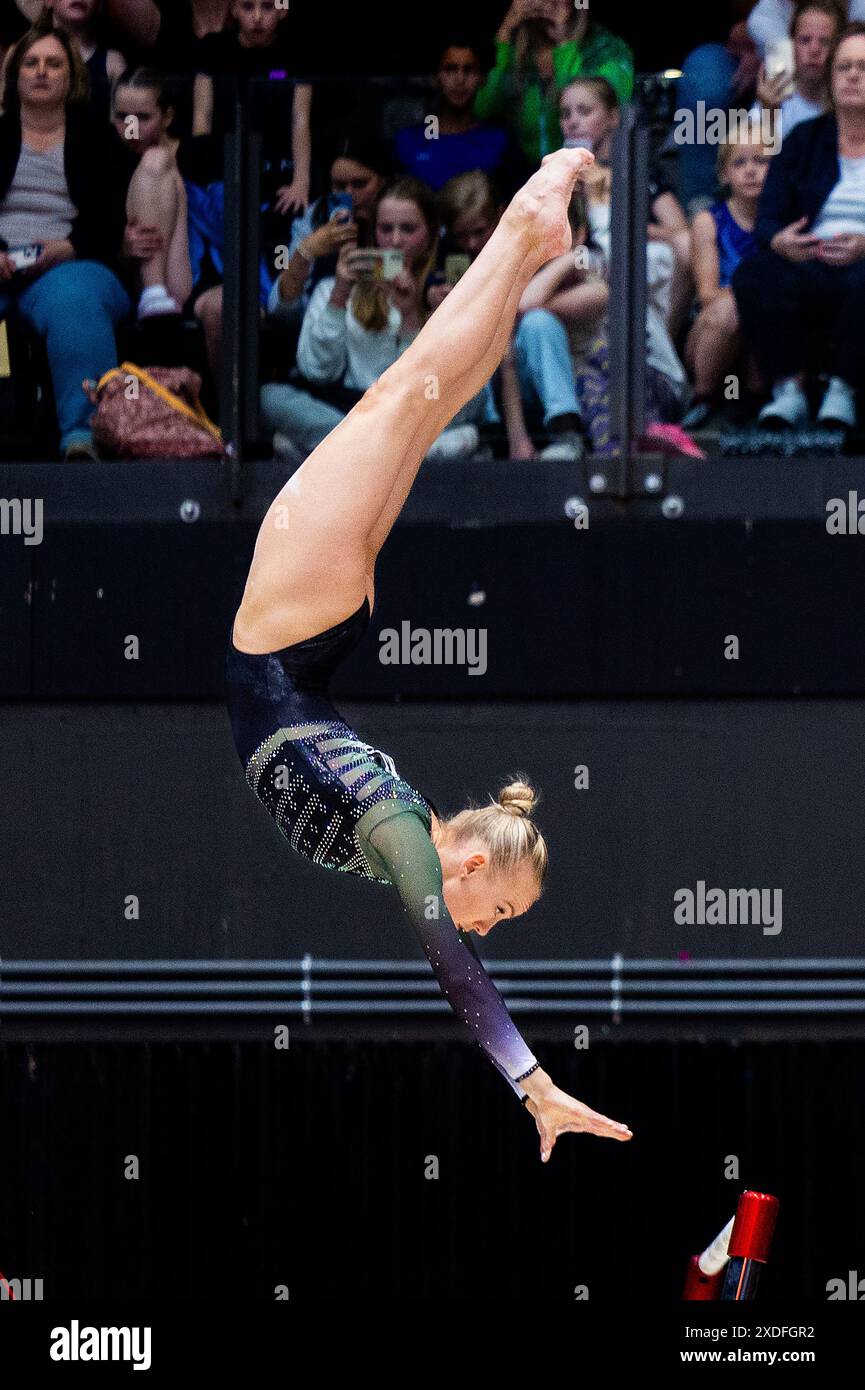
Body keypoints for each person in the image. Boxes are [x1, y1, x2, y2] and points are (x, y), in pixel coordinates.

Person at [226, 146, 634, 1158]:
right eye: (495, 906)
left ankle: (533, 240)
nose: (483, 924)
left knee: (420, 398)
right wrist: (533, 1084)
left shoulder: (402, 835)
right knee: (411, 395)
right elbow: (453, 966)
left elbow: (455, 953)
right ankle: (529, 224)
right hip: (289, 628)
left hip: (303, 634)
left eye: (495, 915)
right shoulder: (405, 836)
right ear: (461, 856)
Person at [263, 176, 493, 465]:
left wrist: (411, 317)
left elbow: (451, 393)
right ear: (374, 231)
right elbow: (318, 372)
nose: (395, 240)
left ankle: (354, 456)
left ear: (431, 233)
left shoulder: (449, 290)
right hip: (352, 412)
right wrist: (339, 295)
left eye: (408, 229)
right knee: (269, 398)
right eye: (386, 229)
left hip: (416, 415)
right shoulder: (335, 287)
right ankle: (382, 454)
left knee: (473, 407)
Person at [0, 26, 132, 458]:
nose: (41, 72)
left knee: (75, 298)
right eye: (30, 63)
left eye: (53, 63)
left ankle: (83, 436)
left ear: (72, 76)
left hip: (71, 263)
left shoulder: (97, 138)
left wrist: (69, 248)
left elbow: (111, 220)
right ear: (14, 75)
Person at [732, 21, 865, 430]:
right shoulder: (805, 139)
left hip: (864, 264)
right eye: (844, 67)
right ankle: (788, 392)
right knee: (754, 273)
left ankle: (844, 392)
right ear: (830, 76)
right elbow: (768, 218)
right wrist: (779, 240)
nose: (853, 76)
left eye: (863, 67)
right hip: (811, 258)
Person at [436, 168, 585, 460]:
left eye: (479, 232)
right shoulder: (445, 269)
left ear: (501, 215)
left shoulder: (537, 250)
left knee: (537, 323)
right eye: (462, 236)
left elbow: (523, 313)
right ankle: (480, 436)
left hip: (537, 380)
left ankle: (568, 435)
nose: (471, 244)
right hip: (484, 400)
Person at [561, 74, 694, 339]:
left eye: (585, 111)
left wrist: (628, 226)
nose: (573, 122)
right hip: (582, 270)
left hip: (638, 265)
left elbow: (680, 233)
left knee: (670, 253)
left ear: (613, 117)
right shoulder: (556, 174)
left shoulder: (640, 171)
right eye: (565, 114)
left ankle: (658, 348)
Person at [682, 130, 771, 428]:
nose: (750, 170)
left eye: (761, 161)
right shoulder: (709, 221)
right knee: (731, 310)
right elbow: (707, 294)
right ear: (724, 175)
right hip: (715, 329)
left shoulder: (781, 221)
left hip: (759, 330)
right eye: (740, 163)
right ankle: (702, 397)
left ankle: (759, 400)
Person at [475, 0, 633, 167]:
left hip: (587, 165)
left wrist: (564, 42)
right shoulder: (515, 53)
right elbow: (483, 111)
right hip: (524, 175)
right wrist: (506, 32)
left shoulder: (605, 49)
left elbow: (606, 104)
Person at [266, 130, 391, 330]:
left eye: (360, 184)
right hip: (324, 330)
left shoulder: (399, 211)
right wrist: (305, 252)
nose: (349, 195)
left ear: (383, 181)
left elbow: (405, 271)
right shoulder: (316, 216)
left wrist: (368, 241)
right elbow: (279, 310)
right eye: (340, 186)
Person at [110, 66, 192, 319]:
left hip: (193, 272)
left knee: (156, 159)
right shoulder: (106, 163)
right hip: (133, 281)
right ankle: (154, 294)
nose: (131, 129)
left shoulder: (199, 155)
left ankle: (156, 295)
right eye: (123, 117)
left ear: (167, 116)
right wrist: (121, 246)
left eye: (143, 118)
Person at [394, 36, 523, 197]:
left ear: (482, 78)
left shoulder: (499, 141)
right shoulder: (410, 141)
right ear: (436, 77)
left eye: (469, 70)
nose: (459, 79)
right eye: (450, 69)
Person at [749, 0, 845, 143]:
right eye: (805, 40)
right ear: (792, 45)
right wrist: (768, 116)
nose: (814, 50)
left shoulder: (852, 101)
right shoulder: (772, 98)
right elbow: (745, 159)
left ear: (840, 48)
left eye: (825, 42)